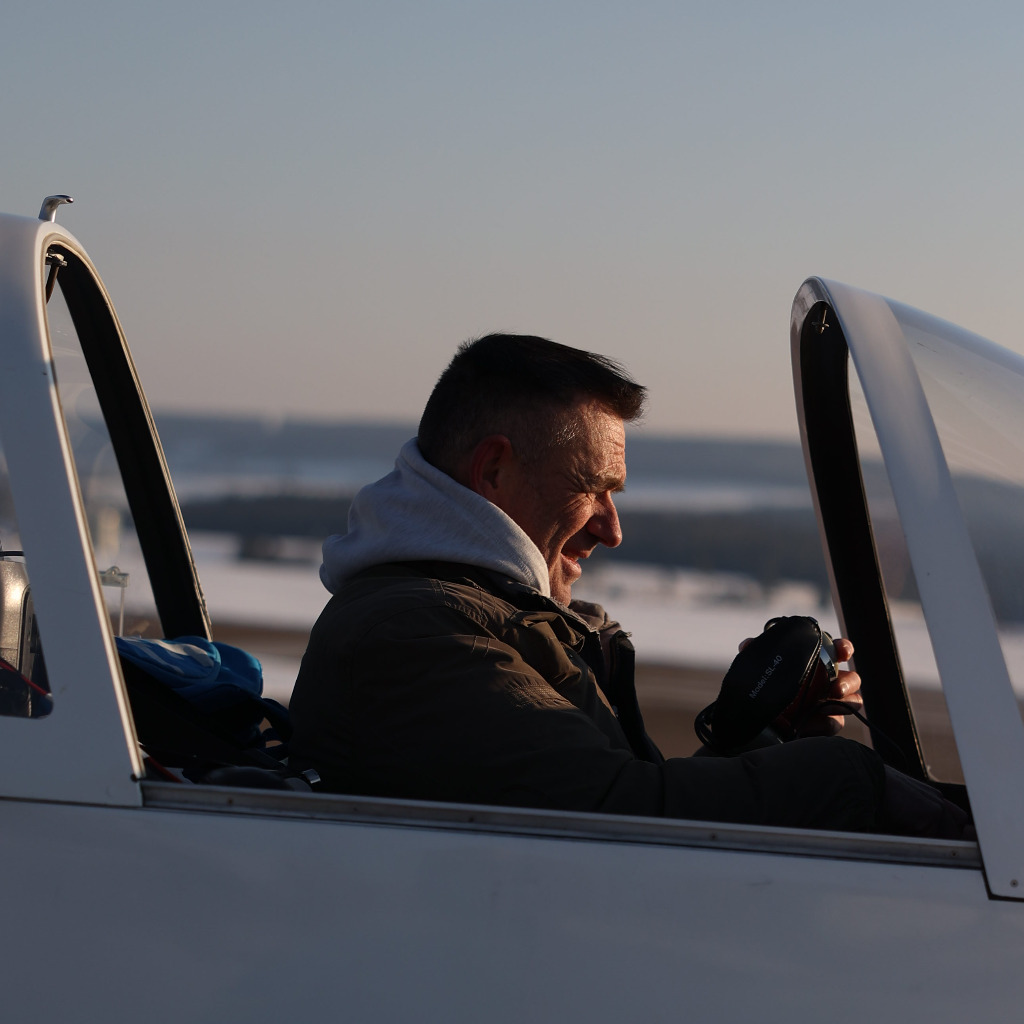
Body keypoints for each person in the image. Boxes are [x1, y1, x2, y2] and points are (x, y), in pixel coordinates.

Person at [289, 334, 967, 836]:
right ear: (493, 471)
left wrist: (766, 735)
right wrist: (851, 779)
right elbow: (618, 823)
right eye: (593, 488)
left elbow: (614, 807)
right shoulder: (415, 634)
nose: (612, 530)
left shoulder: (489, 617)